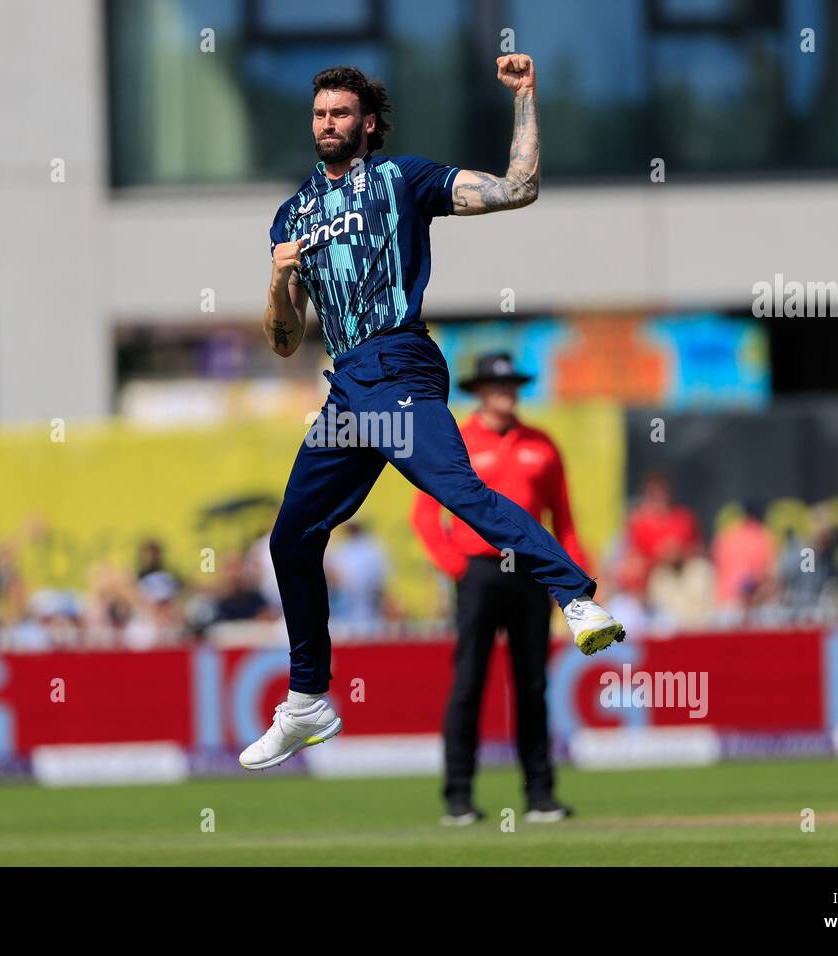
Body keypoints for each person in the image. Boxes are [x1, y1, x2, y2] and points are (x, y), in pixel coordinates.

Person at [240, 58, 624, 772]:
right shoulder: (291, 215)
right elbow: (286, 340)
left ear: (369, 124)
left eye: (342, 114)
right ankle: (307, 700)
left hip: (397, 364)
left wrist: (526, 98)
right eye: (320, 114)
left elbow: (518, 189)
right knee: (291, 539)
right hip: (348, 388)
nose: (329, 124)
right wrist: (277, 275)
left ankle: (575, 598)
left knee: (460, 492)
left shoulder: (401, 180)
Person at [411, 352, 587, 824]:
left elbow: (563, 519)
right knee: (469, 683)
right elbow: (426, 515)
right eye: (494, 385)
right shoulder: (458, 440)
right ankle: (458, 799)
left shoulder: (542, 445)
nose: (503, 393)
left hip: (530, 574)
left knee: (533, 685)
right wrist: (457, 566)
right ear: (480, 390)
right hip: (478, 574)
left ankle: (541, 796)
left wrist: (575, 581)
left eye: (509, 385)